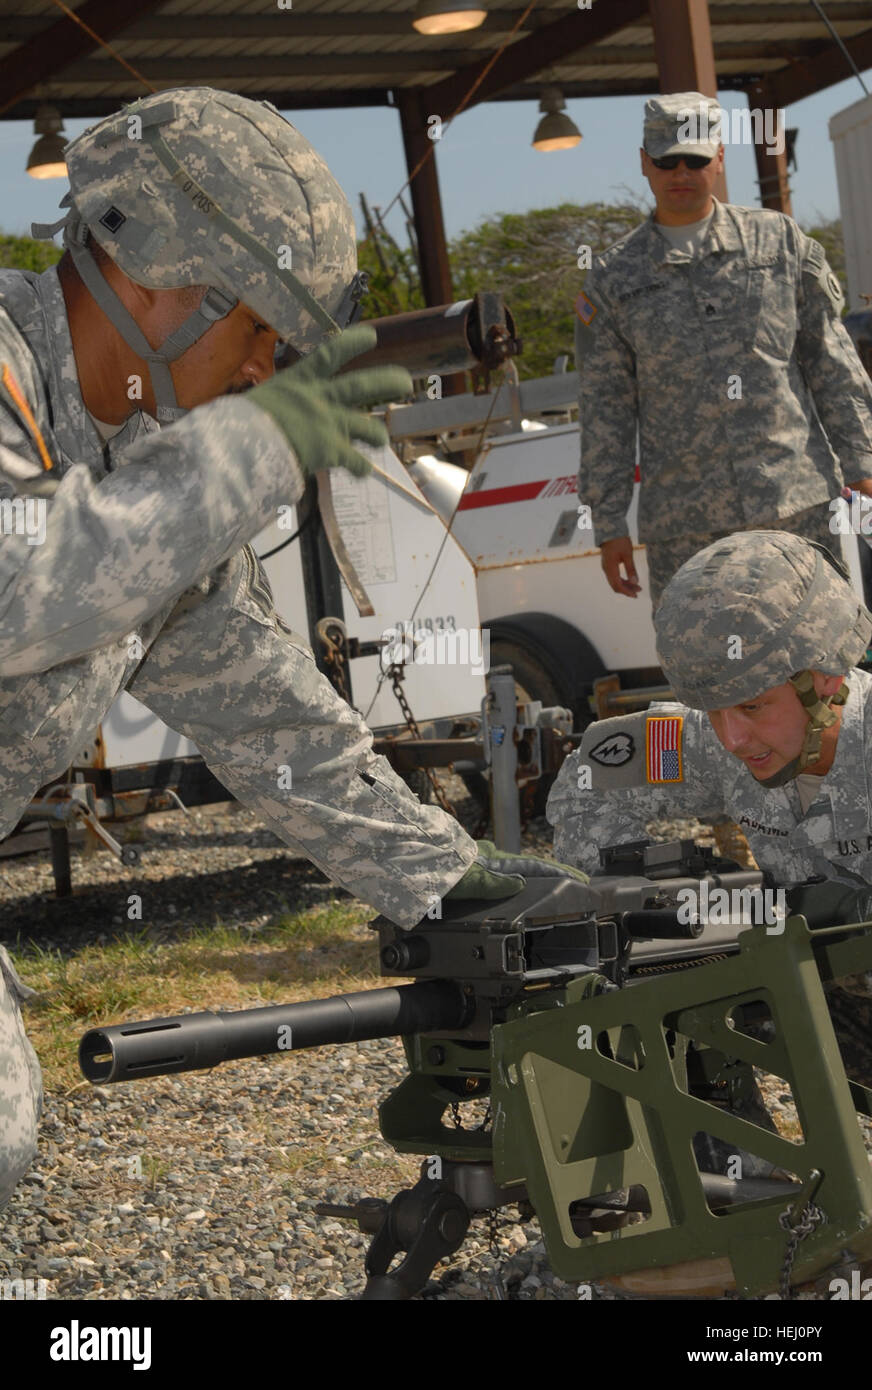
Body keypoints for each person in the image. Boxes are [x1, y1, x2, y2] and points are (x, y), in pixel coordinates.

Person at [0, 87, 578, 1212]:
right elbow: (23, 584)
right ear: (157, 283)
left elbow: (269, 721)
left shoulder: (141, 461)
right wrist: (254, 447)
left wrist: (446, 876)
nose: (267, 374)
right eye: (262, 333)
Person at [547, 529, 872, 1071]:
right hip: (821, 995)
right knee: (668, 986)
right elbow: (587, 783)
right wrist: (671, 907)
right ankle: (730, 1157)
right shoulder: (709, 742)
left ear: (825, 678)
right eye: (711, 709)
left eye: (751, 707)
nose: (731, 740)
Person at [574, 92, 872, 608]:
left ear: (720, 157)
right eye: (666, 160)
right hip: (687, 529)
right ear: (644, 163)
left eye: (694, 159)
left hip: (793, 501)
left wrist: (862, 459)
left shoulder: (779, 244)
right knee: (709, 679)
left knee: (821, 661)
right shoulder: (612, 280)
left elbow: (830, 360)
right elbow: (607, 411)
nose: (680, 172)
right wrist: (608, 524)